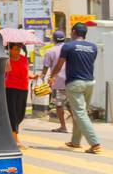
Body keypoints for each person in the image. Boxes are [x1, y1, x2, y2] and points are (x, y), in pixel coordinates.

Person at [50, 22, 101, 154]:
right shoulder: (93, 47)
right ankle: (75, 141)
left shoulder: (68, 46)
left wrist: (52, 76)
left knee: (80, 113)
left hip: (75, 83)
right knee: (82, 112)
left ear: (73, 32)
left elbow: (59, 64)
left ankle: (95, 143)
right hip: (90, 82)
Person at [41, 29, 69, 132]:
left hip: (57, 82)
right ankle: (77, 128)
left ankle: (63, 126)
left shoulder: (50, 51)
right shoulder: (69, 49)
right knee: (71, 105)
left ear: (53, 39)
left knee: (59, 104)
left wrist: (42, 77)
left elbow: (45, 67)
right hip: (71, 81)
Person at [4, 42, 31, 145]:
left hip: (23, 88)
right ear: (9, 49)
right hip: (10, 88)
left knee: (20, 114)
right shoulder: (5, 60)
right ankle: (15, 140)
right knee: (13, 114)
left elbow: (25, 73)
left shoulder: (24, 59)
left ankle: (11, 134)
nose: (17, 51)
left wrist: (32, 76)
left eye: (19, 49)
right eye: (15, 49)